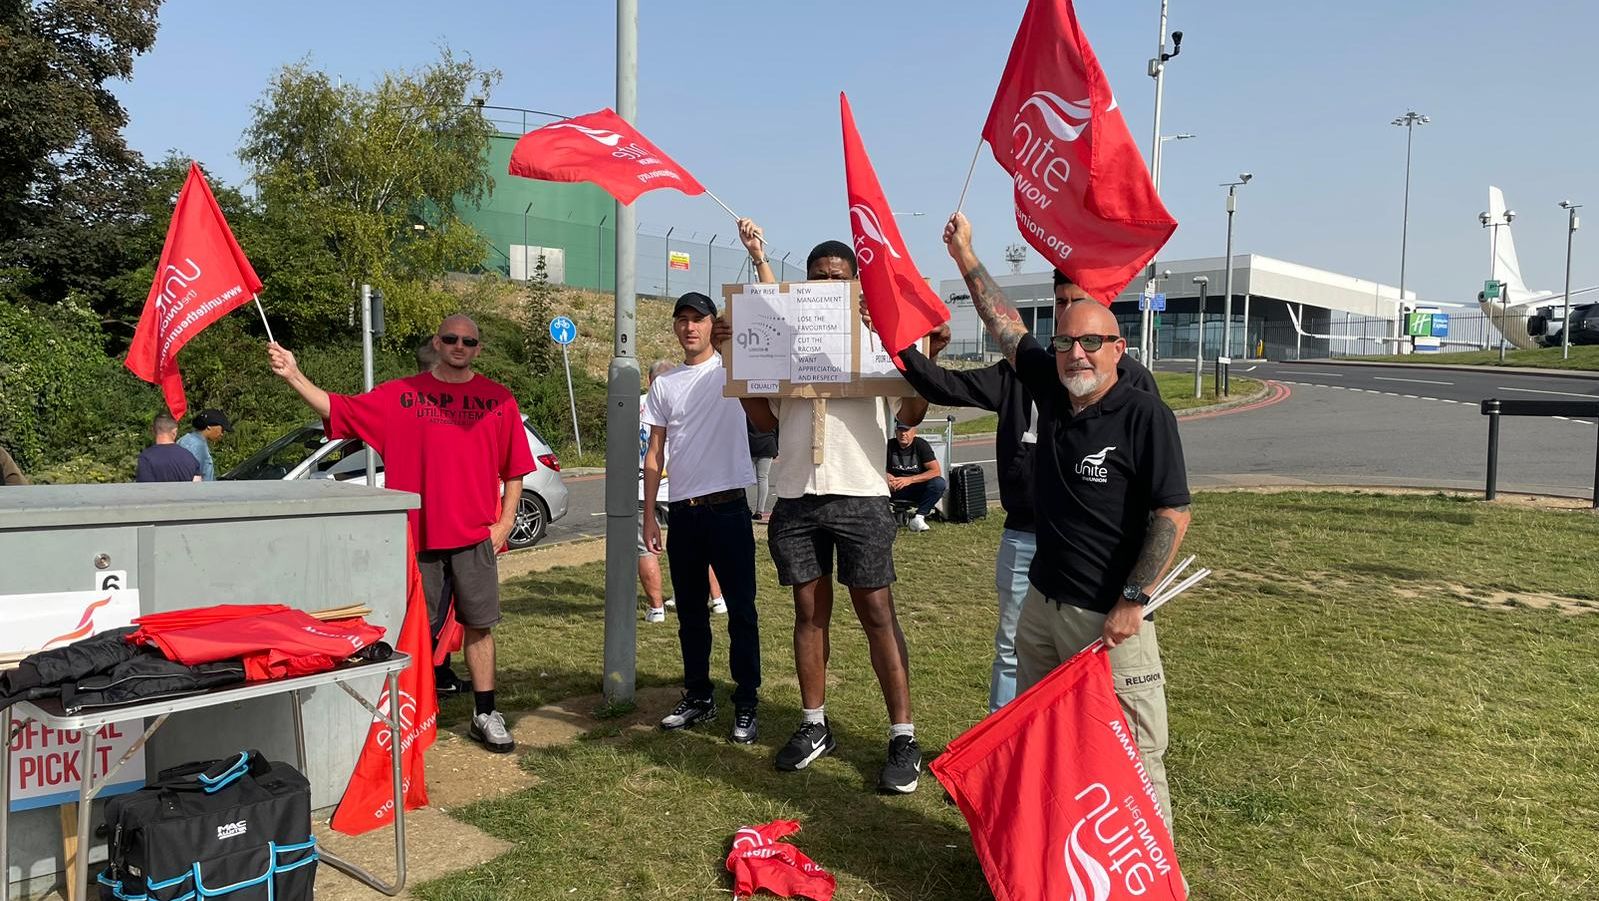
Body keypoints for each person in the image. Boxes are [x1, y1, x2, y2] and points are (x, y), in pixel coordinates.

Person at [945, 212, 1191, 829]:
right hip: (1044, 605)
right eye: (1065, 342)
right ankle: (1057, 844)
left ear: (1118, 348)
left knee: (1136, 750)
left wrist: (1133, 600)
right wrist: (966, 257)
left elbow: (1172, 513)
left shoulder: (1142, 413)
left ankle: (1151, 877)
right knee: (1044, 730)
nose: (1075, 354)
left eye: (1091, 343)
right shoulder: (1053, 388)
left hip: (1108, 617)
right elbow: (1004, 325)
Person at [716, 218, 933, 794]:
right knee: (808, 613)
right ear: (804, 284)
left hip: (860, 491)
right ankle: (815, 725)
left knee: (878, 614)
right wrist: (743, 373)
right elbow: (765, 420)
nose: (828, 287)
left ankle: (902, 735)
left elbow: (911, 416)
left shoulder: (878, 337)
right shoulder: (786, 334)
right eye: (818, 278)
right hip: (796, 494)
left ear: (857, 283)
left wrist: (911, 355)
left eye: (839, 279)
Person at [267, 315, 535, 754]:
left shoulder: (497, 400)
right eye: (451, 338)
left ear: (478, 348)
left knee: (480, 626)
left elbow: (516, 470)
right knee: (413, 630)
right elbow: (338, 409)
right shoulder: (401, 396)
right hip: (417, 537)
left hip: (474, 537)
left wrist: (504, 524)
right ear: (437, 341)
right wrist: (295, 374)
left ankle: (485, 713)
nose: (460, 346)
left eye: (469, 341)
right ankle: (408, 718)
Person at [896, 269, 1158, 713]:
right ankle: (1009, 746)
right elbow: (954, 378)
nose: (1070, 312)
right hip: (1026, 540)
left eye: (1081, 300)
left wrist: (1136, 593)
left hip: (1099, 560)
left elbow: (1166, 503)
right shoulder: (1028, 370)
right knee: (1015, 650)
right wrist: (899, 340)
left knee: (1102, 666)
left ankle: (1100, 758)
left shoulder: (1135, 388)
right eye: (1061, 303)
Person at [642, 292, 763, 743]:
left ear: (713, 325)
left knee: (741, 612)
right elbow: (655, 452)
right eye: (682, 320)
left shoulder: (732, 369)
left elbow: (759, 313)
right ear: (674, 327)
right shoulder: (664, 384)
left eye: (699, 320)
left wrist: (757, 257)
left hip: (729, 508)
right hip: (684, 514)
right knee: (691, 611)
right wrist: (651, 515)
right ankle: (698, 695)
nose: (690, 327)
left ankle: (747, 701)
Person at [639, 359, 730, 624]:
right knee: (702, 547)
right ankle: (717, 598)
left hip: (646, 485)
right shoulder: (686, 398)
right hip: (681, 485)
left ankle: (657, 609)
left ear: (649, 380)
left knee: (646, 549)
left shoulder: (637, 405)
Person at [885, 421, 945, 532]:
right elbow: (874, 467)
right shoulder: (888, 445)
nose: (903, 434)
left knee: (939, 483)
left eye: (906, 430)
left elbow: (935, 471)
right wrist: (886, 477)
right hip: (893, 487)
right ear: (896, 431)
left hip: (915, 487)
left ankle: (919, 517)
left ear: (914, 432)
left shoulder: (921, 445)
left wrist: (910, 480)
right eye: (900, 430)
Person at [135, 413, 202, 483]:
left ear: (153, 431)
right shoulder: (190, 457)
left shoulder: (146, 458)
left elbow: (145, 489)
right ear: (175, 432)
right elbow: (197, 487)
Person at [177, 409, 230, 481]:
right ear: (209, 427)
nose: (222, 434)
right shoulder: (196, 446)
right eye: (222, 430)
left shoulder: (189, 440)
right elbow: (191, 478)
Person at [748, 420, 778, 522]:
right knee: (763, 478)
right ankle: (759, 511)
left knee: (745, 479)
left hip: (750, 444)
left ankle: (745, 507)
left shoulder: (746, 407)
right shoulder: (770, 407)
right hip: (768, 444)